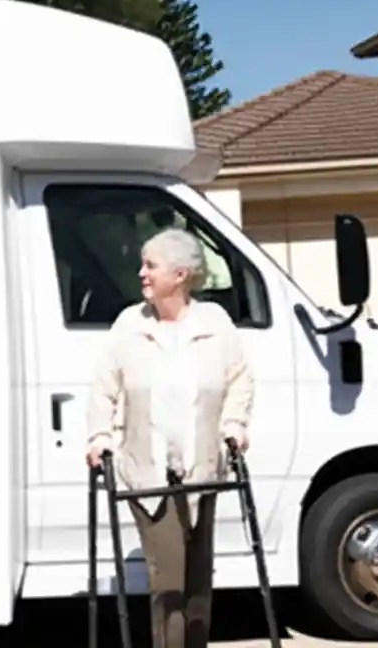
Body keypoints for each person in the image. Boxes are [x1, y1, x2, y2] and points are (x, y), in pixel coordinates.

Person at [85, 227, 254, 648]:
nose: (141, 273)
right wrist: (99, 436)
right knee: (169, 580)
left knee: (199, 581)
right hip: (149, 473)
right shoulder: (130, 324)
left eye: (150, 265)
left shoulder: (214, 322)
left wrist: (235, 426)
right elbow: (104, 386)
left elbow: (239, 379)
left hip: (204, 468)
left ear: (180, 274)